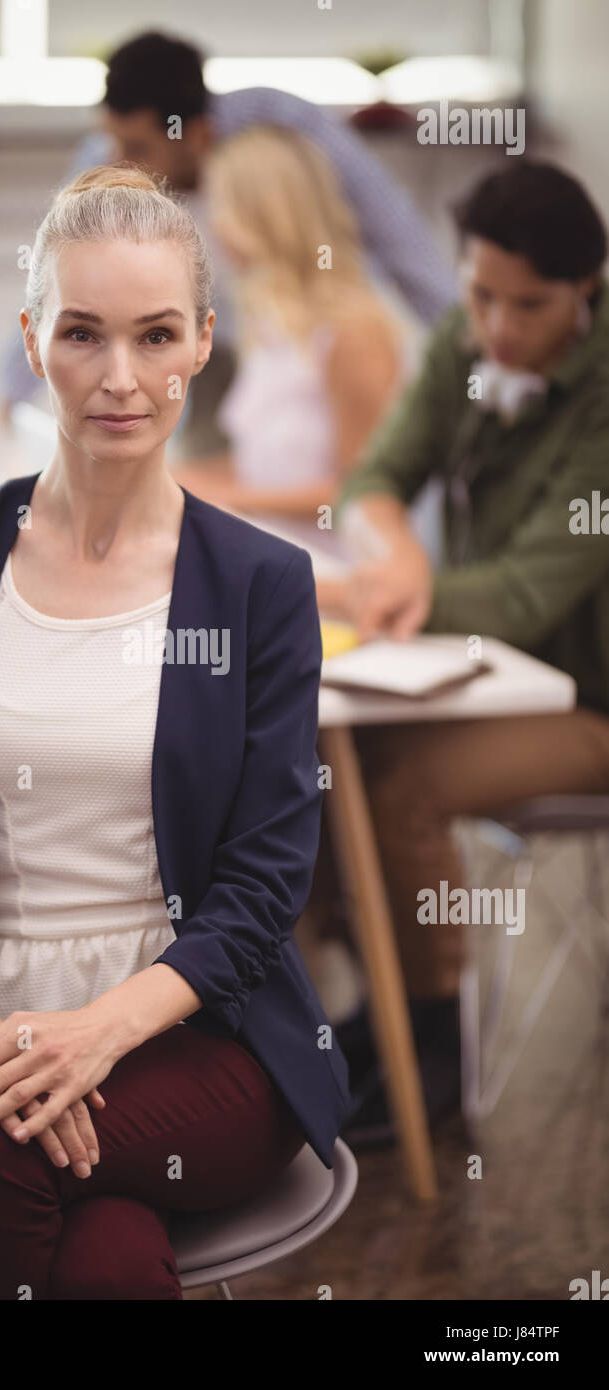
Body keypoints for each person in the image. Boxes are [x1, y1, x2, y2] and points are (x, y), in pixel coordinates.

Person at [0, 164, 350, 1300]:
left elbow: (263, 892)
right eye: (82, 334)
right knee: (107, 1258)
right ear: (31, 340)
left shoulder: (261, 584)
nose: (119, 379)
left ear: (201, 344)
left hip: (199, 1041)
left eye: (155, 335)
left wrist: (90, 1041)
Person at [312, 160, 609, 1149]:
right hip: (484, 677)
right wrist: (385, 540)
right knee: (317, 757)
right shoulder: (464, 335)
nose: (495, 327)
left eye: (527, 307)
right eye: (480, 293)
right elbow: (374, 476)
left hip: (588, 703)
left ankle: (431, 1050)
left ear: (585, 290)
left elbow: (528, 594)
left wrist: (400, 590)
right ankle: (370, 1016)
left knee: (397, 781)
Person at [0, 29, 456, 454]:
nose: (121, 166)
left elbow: (397, 237)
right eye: (113, 143)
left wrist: (471, 351)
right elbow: (54, 279)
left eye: (137, 147)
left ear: (195, 136)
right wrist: (5, 400)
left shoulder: (278, 132)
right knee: (206, 471)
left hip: (301, 329)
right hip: (220, 341)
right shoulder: (109, 158)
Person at [171, 123, 404, 553]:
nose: (214, 226)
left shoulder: (355, 333)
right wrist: (166, 481)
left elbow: (361, 496)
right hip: (267, 557)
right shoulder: (271, 328)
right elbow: (261, 470)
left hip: (329, 579)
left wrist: (215, 499)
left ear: (262, 217)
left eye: (222, 206)